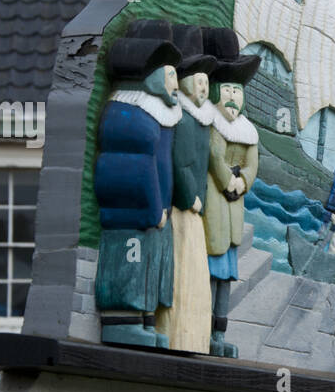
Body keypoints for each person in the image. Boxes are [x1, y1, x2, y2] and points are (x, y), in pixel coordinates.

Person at [93, 21, 181, 349]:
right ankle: (121, 321)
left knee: (150, 267)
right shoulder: (131, 112)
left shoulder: (155, 114)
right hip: (134, 215)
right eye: (171, 75)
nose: (177, 83)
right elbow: (134, 168)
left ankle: (145, 318)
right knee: (130, 263)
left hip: (155, 212)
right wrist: (150, 209)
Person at [154, 24, 218, 354]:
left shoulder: (200, 119)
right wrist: (189, 196)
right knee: (182, 271)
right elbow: (179, 162)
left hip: (196, 208)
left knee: (196, 276)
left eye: (207, 82)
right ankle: (179, 335)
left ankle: (195, 336)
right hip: (183, 210)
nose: (204, 87)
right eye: (199, 80)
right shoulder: (179, 116)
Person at [201, 27, 261, 358]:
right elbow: (212, 154)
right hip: (214, 205)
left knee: (226, 274)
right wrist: (227, 180)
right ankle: (202, 325)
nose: (233, 97)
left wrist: (244, 181)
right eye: (227, 89)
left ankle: (219, 331)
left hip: (233, 210)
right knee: (210, 269)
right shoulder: (211, 122)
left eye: (237, 91)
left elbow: (253, 163)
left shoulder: (248, 131)